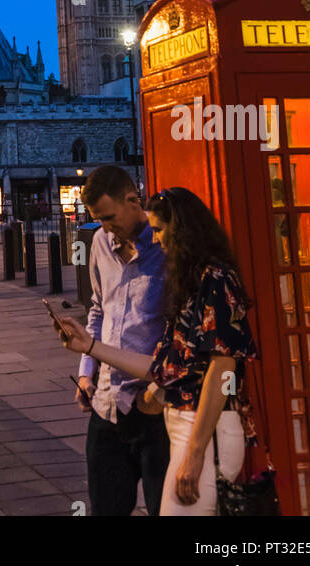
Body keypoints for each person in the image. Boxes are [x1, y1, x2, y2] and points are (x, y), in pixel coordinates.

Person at [57, 186, 257, 517]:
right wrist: (89, 347)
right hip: (184, 426)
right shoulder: (190, 283)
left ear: (184, 230)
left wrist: (195, 453)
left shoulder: (217, 280)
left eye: (162, 230)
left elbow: (222, 369)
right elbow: (162, 367)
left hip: (207, 429)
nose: (157, 238)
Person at [73, 165, 170, 517]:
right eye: (99, 219)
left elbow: (183, 327)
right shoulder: (100, 242)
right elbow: (99, 310)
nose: (105, 227)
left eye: (110, 217)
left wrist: (161, 389)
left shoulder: (167, 246)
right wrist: (86, 373)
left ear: (133, 200)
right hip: (107, 405)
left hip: (156, 407)